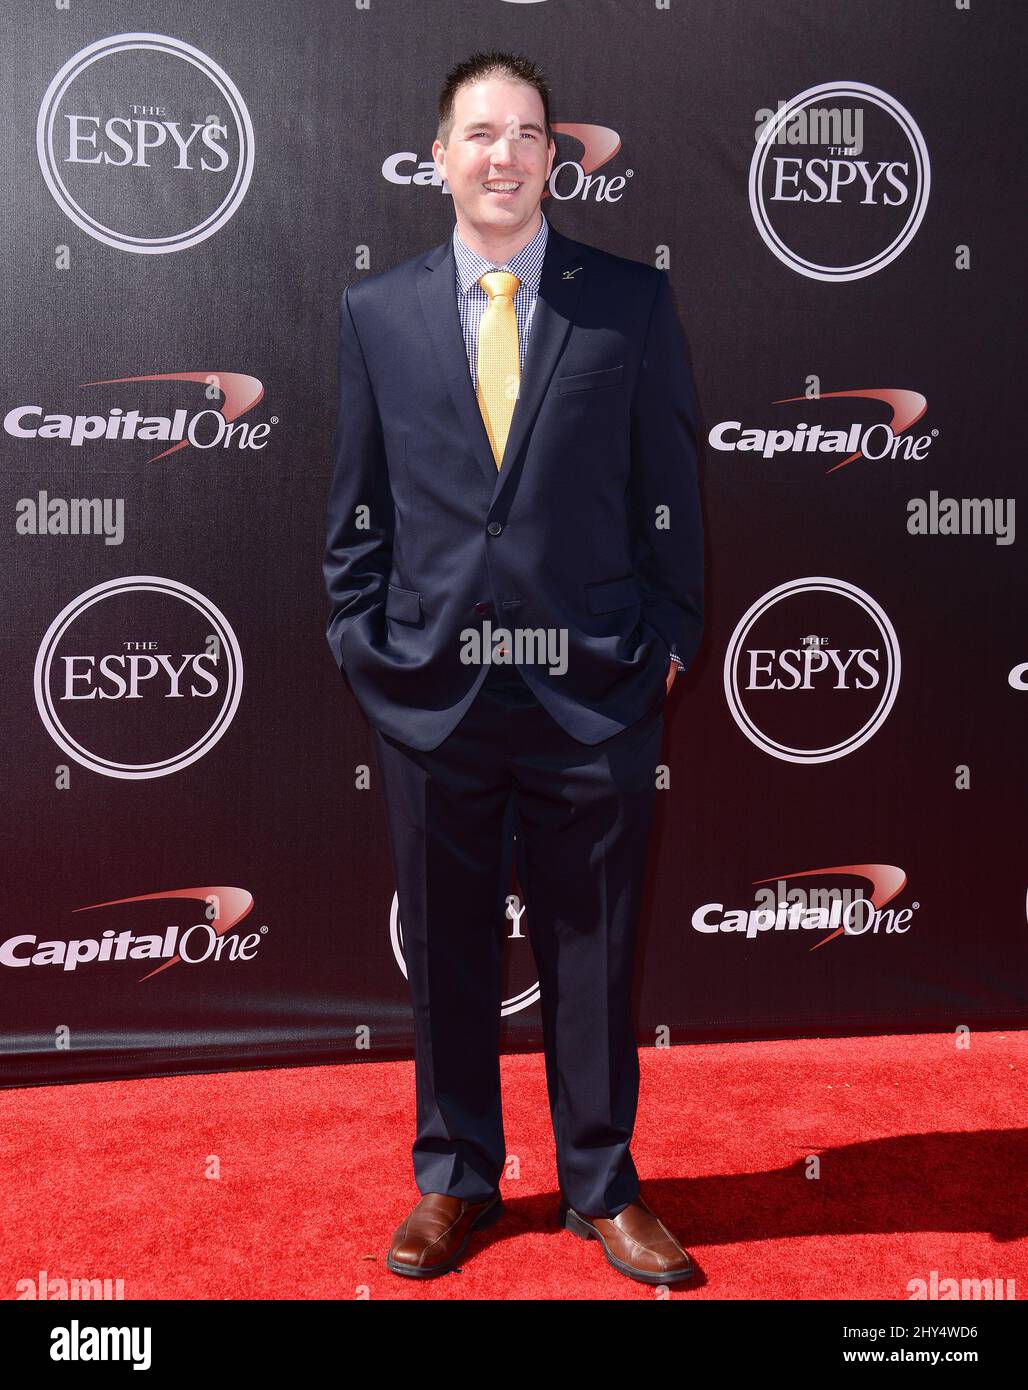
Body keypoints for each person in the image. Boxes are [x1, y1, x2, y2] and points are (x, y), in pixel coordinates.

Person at [323, 50, 703, 1286]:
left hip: (588, 685)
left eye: (527, 133)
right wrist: (366, 650)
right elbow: (356, 517)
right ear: (437, 157)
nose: (502, 154)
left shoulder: (628, 303)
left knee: (592, 948)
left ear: (556, 157)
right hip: (434, 691)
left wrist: (667, 640)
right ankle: (456, 1178)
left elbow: (670, 493)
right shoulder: (376, 311)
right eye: (478, 133)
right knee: (442, 949)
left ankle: (600, 1181)